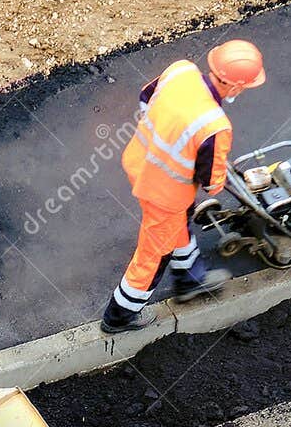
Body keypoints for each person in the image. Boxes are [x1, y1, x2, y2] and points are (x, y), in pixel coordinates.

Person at [101, 40, 267, 335]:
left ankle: (190, 278)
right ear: (235, 86)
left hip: (138, 161)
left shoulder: (180, 70)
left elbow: (145, 98)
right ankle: (120, 315)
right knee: (154, 254)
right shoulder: (215, 126)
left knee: (179, 222)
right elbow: (211, 182)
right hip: (163, 194)